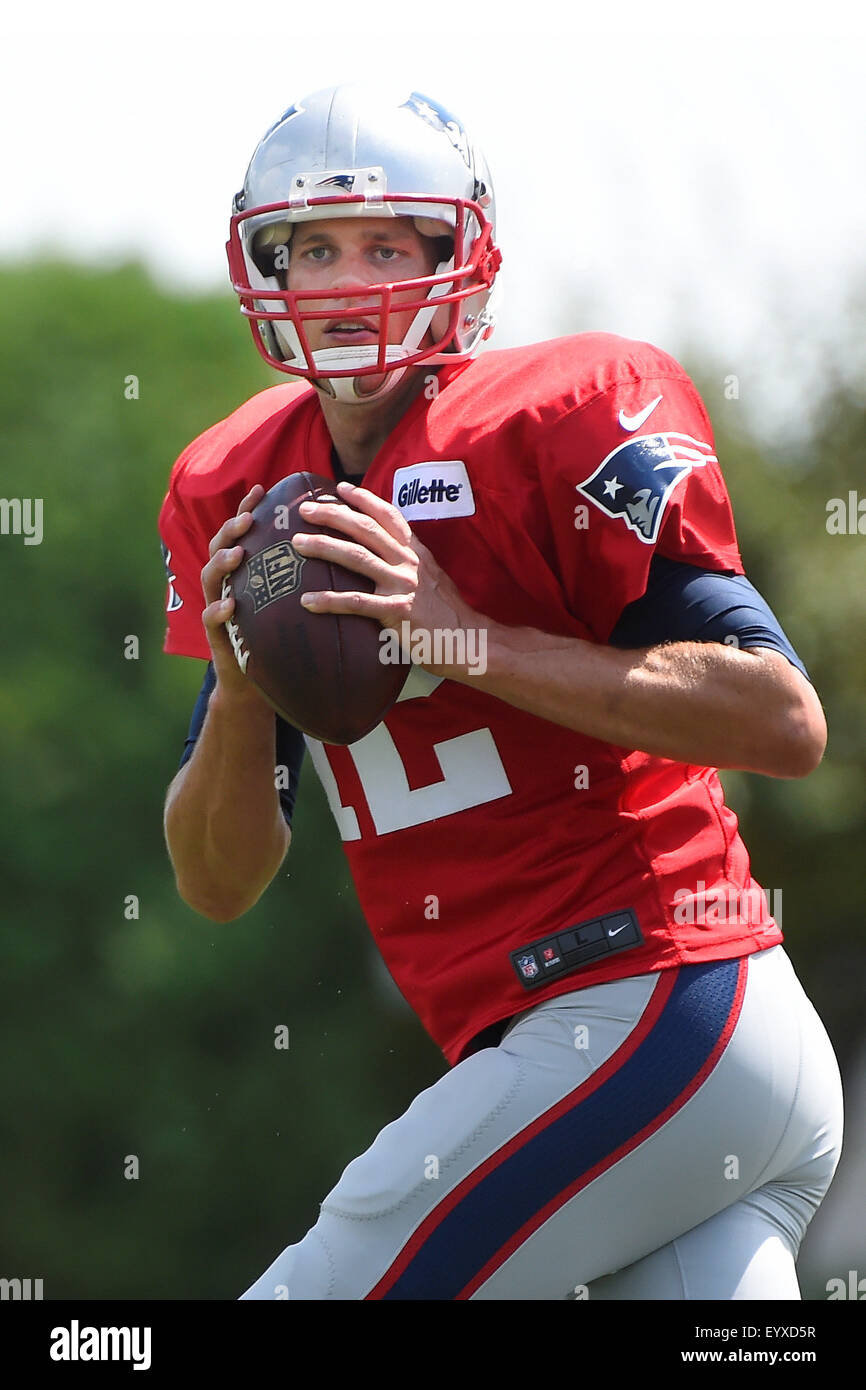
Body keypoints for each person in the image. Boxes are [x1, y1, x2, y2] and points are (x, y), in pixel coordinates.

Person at [159, 84, 843, 1300]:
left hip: (653, 1003)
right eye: (311, 247)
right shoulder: (239, 489)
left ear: (456, 259)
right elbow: (218, 884)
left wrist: (467, 638)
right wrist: (239, 680)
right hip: (633, 1061)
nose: (345, 276)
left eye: (384, 242)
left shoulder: (552, 422)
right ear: (264, 269)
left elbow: (780, 722)